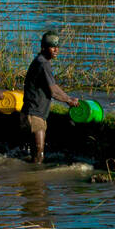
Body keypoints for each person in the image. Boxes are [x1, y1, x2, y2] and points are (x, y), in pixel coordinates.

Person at [20, 32, 79, 164]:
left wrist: (68, 98)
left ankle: (28, 179)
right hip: (34, 115)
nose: (56, 50)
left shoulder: (41, 61)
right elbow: (53, 92)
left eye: (57, 46)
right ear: (43, 48)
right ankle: (35, 183)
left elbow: (53, 86)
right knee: (39, 154)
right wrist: (69, 101)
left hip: (32, 113)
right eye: (52, 47)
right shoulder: (43, 64)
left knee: (34, 153)